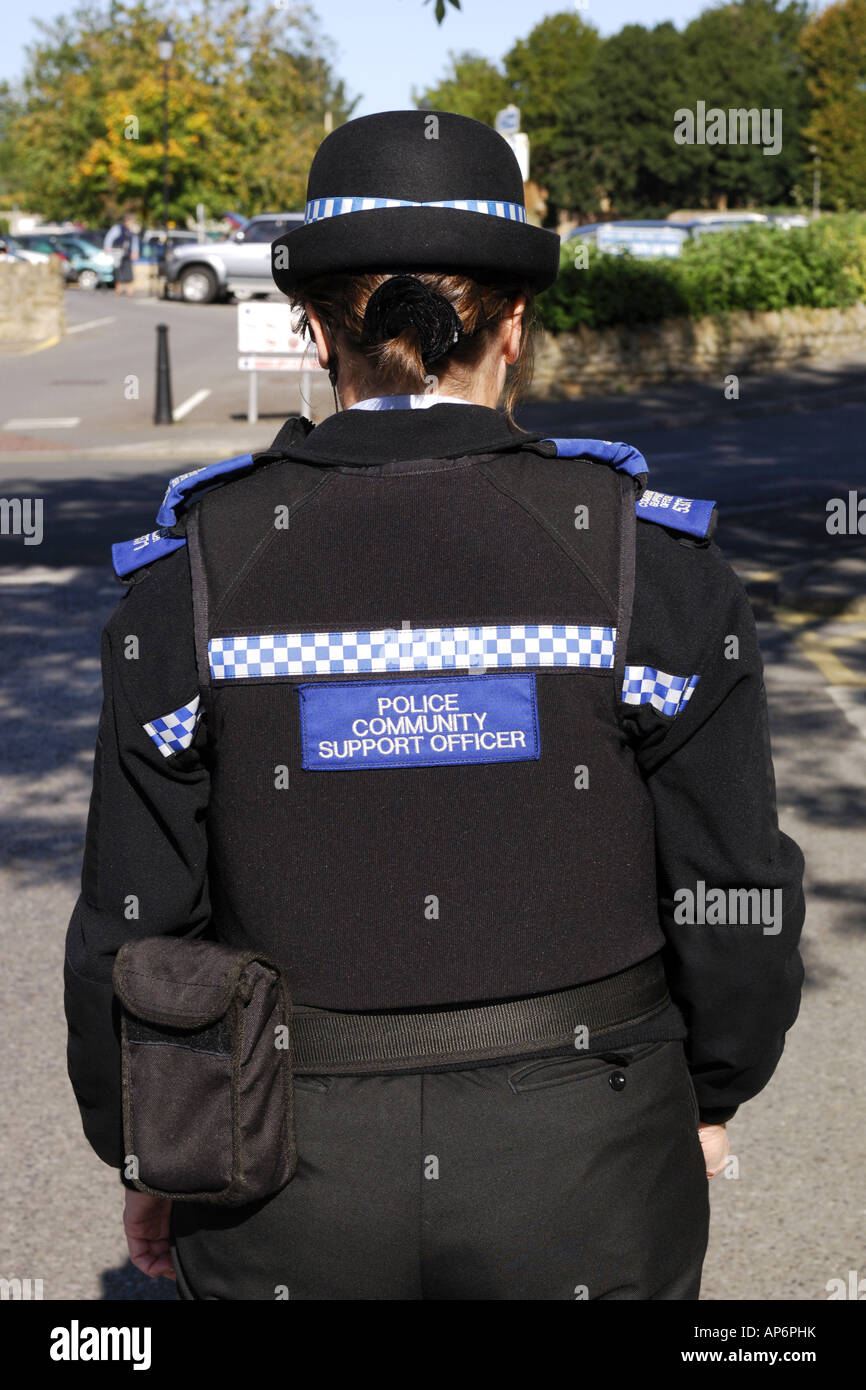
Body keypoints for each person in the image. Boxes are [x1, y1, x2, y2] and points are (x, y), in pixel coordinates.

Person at [65, 111, 805, 1301]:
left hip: (279, 1173)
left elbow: (130, 921)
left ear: (314, 329)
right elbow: (734, 889)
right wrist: (710, 1093)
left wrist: (151, 1146)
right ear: (513, 326)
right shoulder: (644, 563)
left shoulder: (189, 577)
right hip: (588, 1161)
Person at [103, 211, 139, 296]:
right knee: (117, 269)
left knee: (128, 270)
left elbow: (134, 242)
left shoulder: (132, 230)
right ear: (126, 221)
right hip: (117, 251)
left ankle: (129, 289)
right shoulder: (118, 228)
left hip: (127, 252)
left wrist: (135, 251)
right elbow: (109, 238)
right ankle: (118, 288)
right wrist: (107, 247)